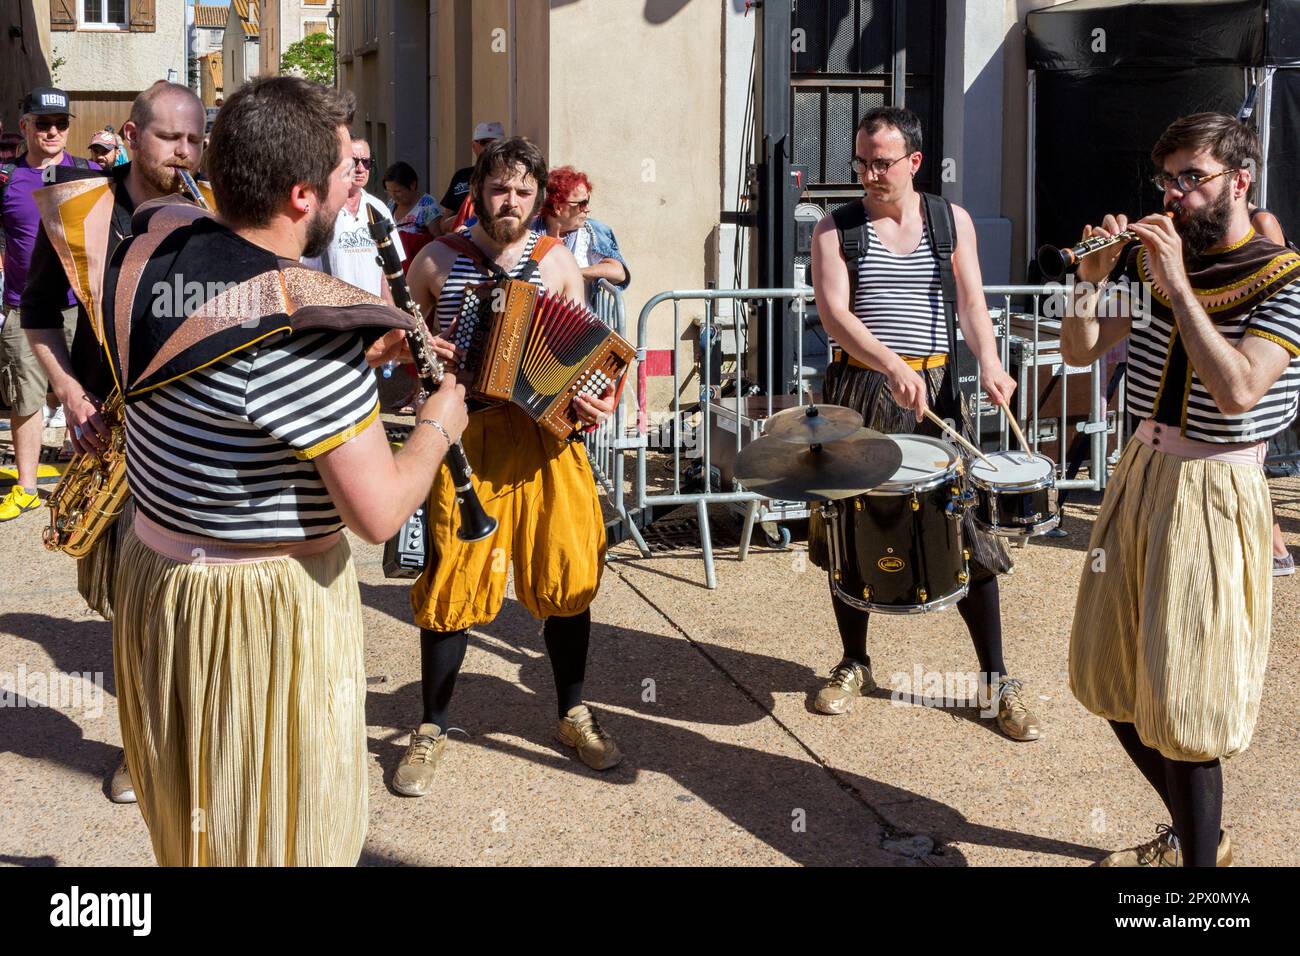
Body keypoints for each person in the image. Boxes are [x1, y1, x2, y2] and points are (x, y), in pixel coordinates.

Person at [103, 75, 468, 866]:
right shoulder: (308, 323)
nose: (356, 184)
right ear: (302, 195)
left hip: (158, 581)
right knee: (281, 835)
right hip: (259, 612)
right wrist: (439, 425)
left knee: (196, 829)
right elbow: (378, 514)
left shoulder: (145, 248)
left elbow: (226, 367)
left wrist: (350, 371)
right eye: (344, 171)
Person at [1064, 112, 1300, 867]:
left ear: (1241, 178)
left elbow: (1236, 391)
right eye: (1167, 180)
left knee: (1188, 698)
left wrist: (1176, 287)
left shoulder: (1285, 281)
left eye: (1191, 178)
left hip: (1214, 485)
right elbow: (1078, 351)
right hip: (1139, 472)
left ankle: (1199, 884)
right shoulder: (1145, 270)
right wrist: (1088, 282)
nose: (1175, 196)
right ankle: (1203, 836)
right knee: (1109, 677)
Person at [395, 136, 620, 798]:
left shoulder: (557, 266)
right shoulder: (435, 262)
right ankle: (433, 727)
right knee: (451, 583)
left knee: (569, 569)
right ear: (478, 192)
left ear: (536, 195)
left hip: (546, 441)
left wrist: (593, 398)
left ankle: (571, 713)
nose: (511, 201)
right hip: (469, 436)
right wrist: (421, 361)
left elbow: (585, 355)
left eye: (524, 190)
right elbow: (408, 357)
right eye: (500, 188)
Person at [807, 106, 1041, 741]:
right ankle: (854, 662)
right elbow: (834, 316)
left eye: (882, 162)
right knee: (847, 528)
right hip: (861, 389)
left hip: (938, 390)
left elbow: (971, 303)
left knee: (966, 530)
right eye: (861, 161)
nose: (869, 174)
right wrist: (888, 364)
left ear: (914, 161)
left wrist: (991, 362)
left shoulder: (950, 219)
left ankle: (996, 683)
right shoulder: (836, 228)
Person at [22, 79, 209, 805]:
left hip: (188, 436)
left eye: (194, 139)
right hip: (110, 432)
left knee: (190, 600)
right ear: (130, 137)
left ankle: (190, 738)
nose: (184, 152)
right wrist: (68, 390)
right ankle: (141, 746)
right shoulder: (81, 207)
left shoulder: (210, 216)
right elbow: (37, 315)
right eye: (169, 138)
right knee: (128, 608)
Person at [0, 87, 94, 522]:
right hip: (23, 308)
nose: (53, 131)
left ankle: (87, 482)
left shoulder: (89, 172)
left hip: (82, 306)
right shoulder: (6, 179)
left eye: (61, 124)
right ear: (25, 127)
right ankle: (26, 487)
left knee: (87, 394)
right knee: (25, 398)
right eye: (43, 123)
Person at [1246, 202, 1296, 576]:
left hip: (1278, 357)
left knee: (1254, 458)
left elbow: (1275, 288)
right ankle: (1276, 549)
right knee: (1253, 460)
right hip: (1260, 355)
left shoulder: (1260, 221)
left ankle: (1278, 550)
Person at [299, 134, 394, 300]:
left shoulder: (380, 209)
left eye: (366, 162)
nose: (360, 169)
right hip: (334, 317)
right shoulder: (321, 209)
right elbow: (304, 270)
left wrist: (392, 317)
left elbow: (387, 274)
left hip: (374, 316)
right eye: (354, 162)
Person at [539, 165, 631, 303]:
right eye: (582, 204)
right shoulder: (528, 230)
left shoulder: (591, 231)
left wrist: (572, 274)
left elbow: (618, 272)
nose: (588, 209)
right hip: (533, 318)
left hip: (579, 320)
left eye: (587, 202)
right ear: (558, 207)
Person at [433, 120, 503, 236]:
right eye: (484, 142)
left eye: (495, 143)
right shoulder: (461, 176)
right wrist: (463, 217)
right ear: (474, 146)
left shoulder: (508, 178)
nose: (489, 148)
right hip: (461, 242)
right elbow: (443, 224)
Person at [382, 160, 440, 255]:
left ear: (412, 185)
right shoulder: (392, 204)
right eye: (389, 191)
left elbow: (437, 239)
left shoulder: (427, 205)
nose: (393, 196)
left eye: (397, 191)